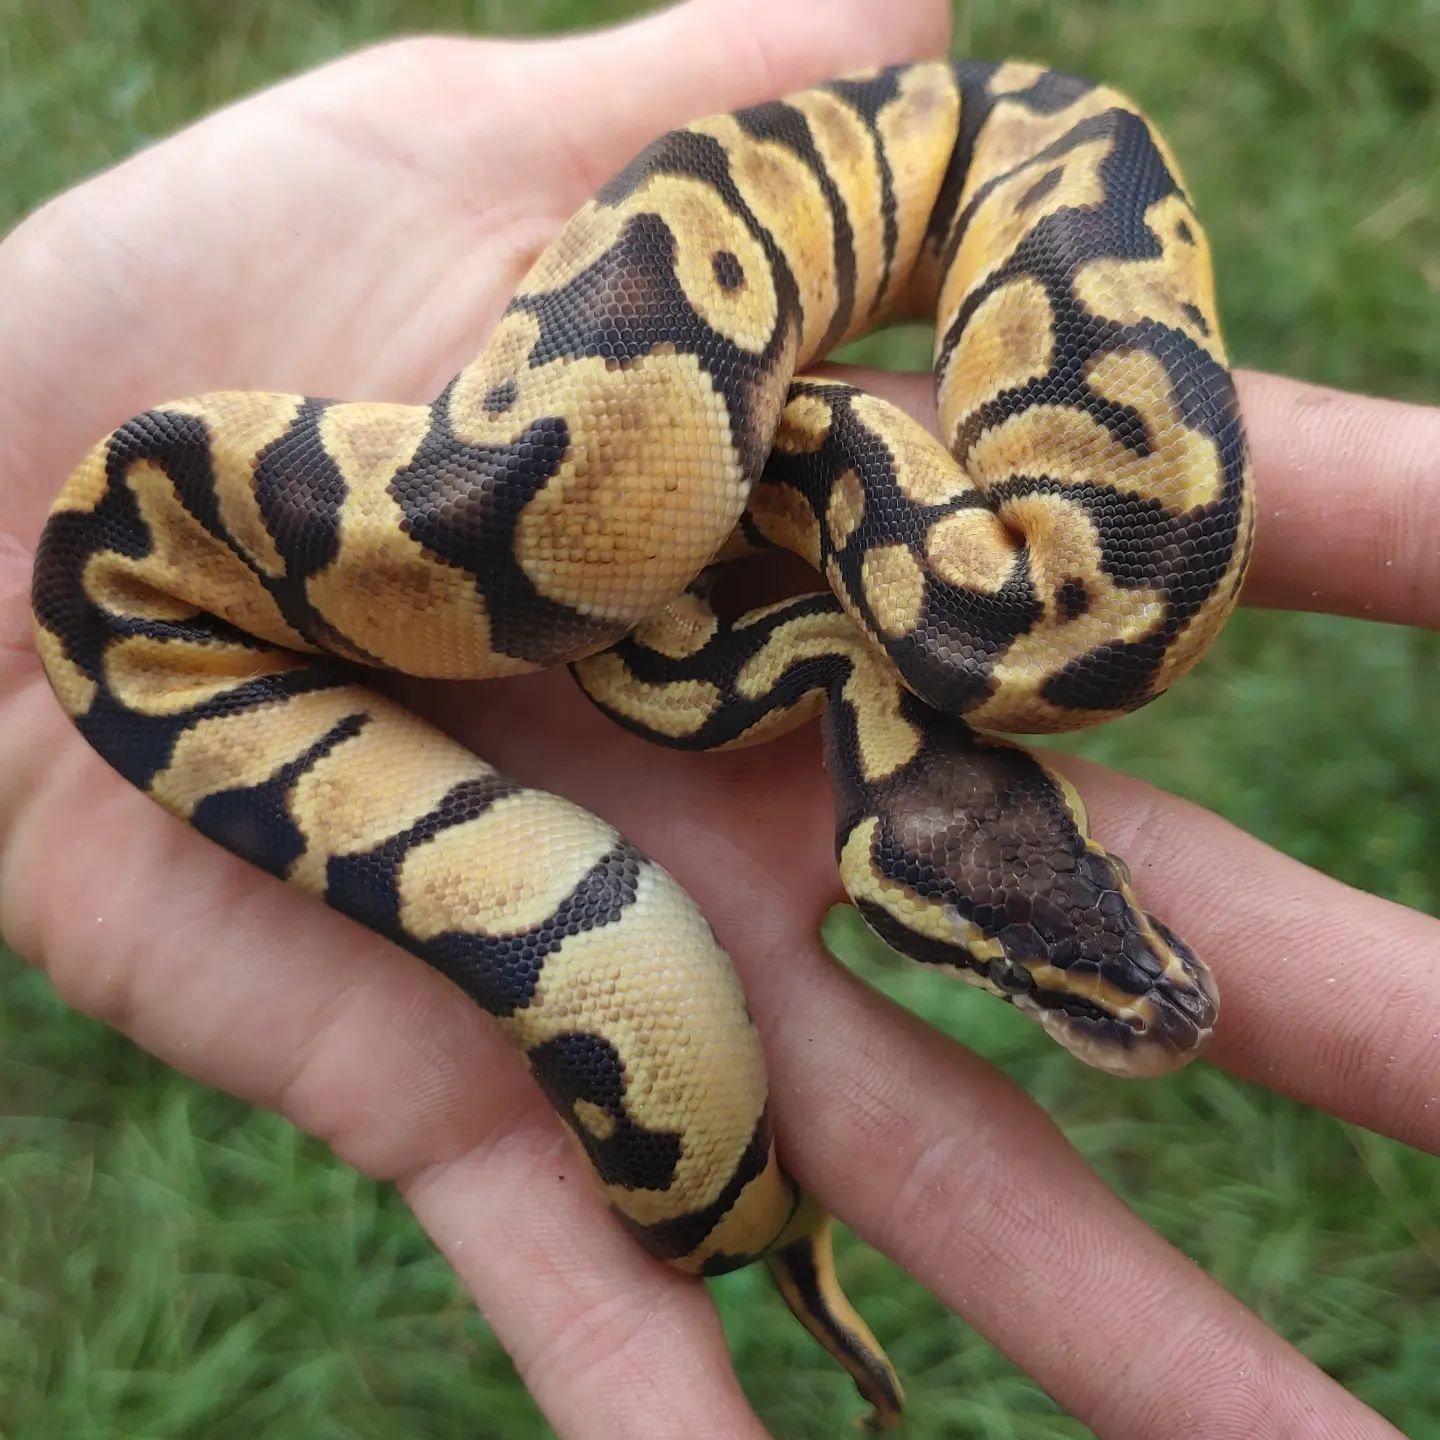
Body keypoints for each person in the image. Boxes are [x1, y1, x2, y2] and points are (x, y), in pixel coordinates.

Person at [1, 1, 1434, 1435]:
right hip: (142, 599)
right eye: (1028, 971)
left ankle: (736, 1218)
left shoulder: (808, 599)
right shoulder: (838, 607)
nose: (1128, 997)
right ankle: (732, 1218)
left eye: (1040, 968)